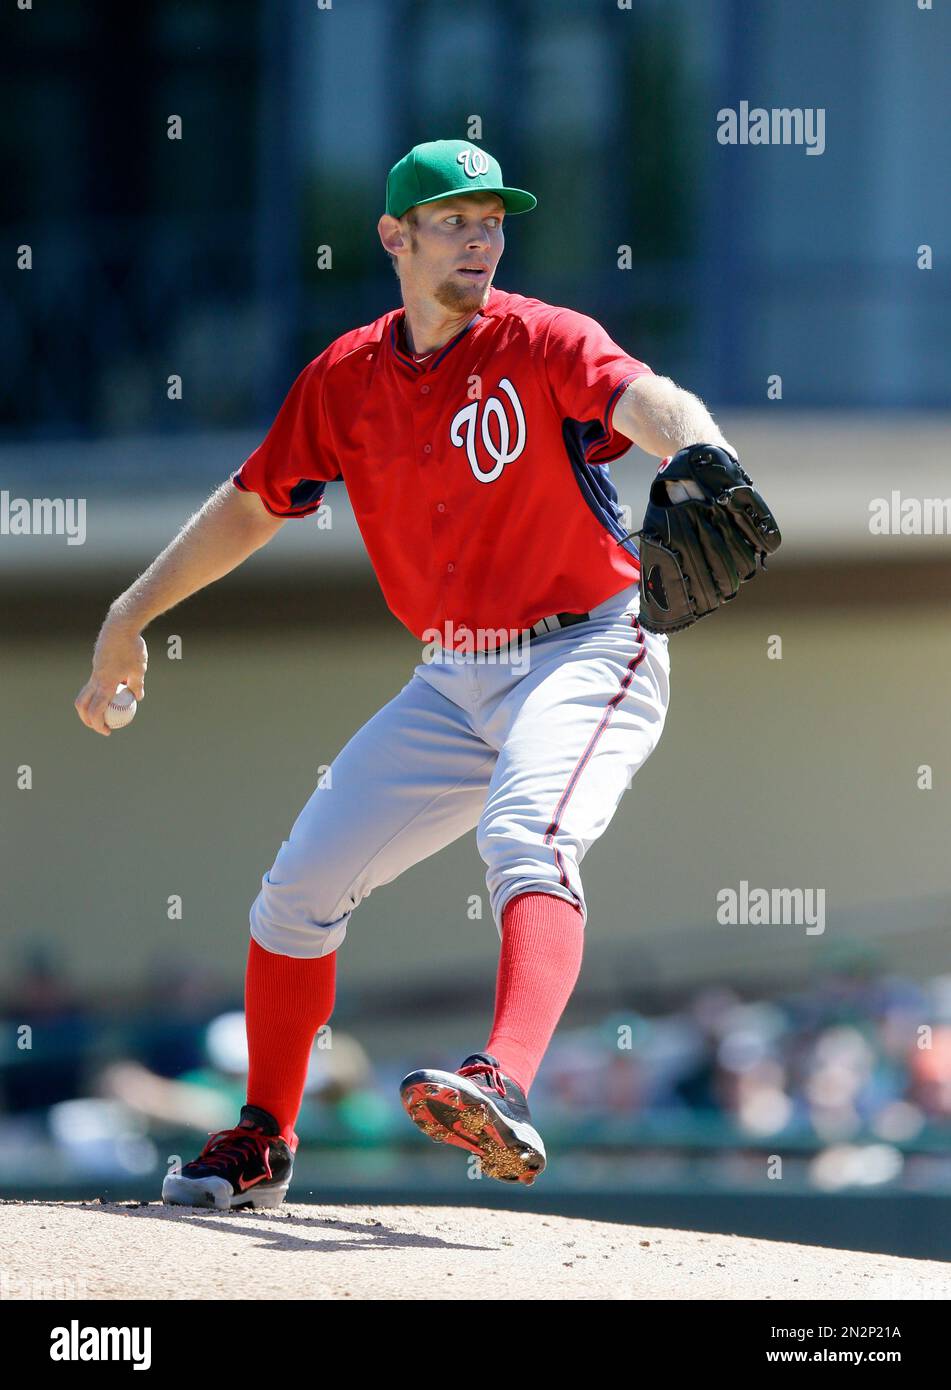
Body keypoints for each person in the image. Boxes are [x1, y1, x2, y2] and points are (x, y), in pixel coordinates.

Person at [75, 139, 737, 1209]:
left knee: (526, 836)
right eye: (454, 219)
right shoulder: (345, 377)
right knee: (297, 893)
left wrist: (704, 455)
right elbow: (252, 502)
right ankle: (262, 1139)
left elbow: (646, 398)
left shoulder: (540, 338)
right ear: (395, 236)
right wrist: (128, 613)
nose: (481, 239)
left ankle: (502, 1080)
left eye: (493, 221)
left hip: (587, 644)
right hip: (452, 674)